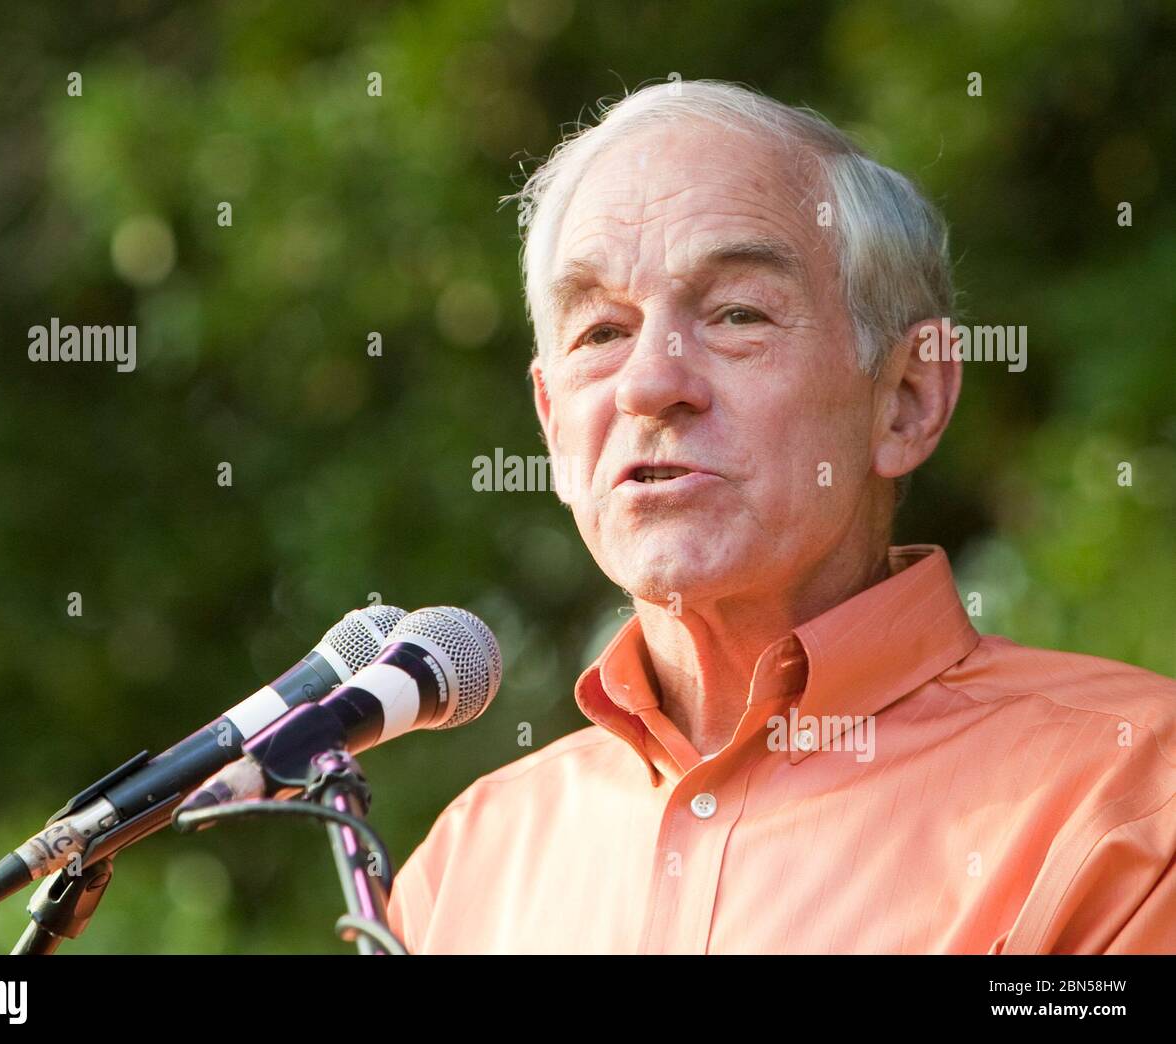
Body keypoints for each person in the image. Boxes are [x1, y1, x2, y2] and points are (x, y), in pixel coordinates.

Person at [385, 80, 1176, 954]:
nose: (650, 385)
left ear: (908, 399)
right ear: (551, 421)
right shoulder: (463, 871)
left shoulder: (1133, 792)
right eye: (601, 333)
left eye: (737, 315)